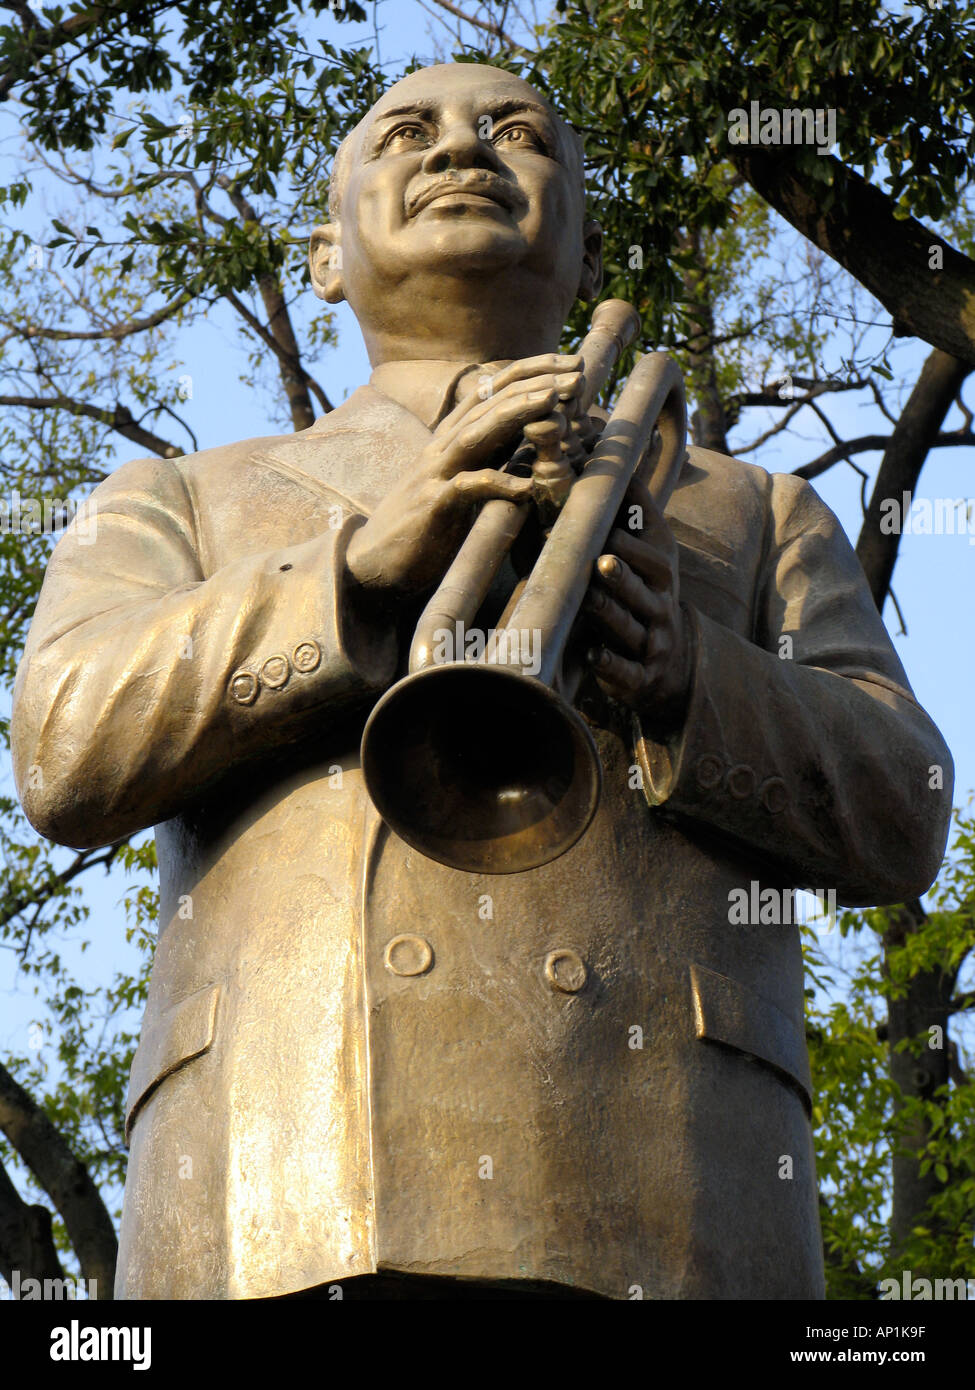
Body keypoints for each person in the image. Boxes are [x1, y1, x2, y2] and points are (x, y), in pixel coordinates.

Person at [11, 63, 952, 1300]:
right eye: (406, 133)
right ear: (325, 258)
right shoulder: (186, 497)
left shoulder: (756, 509)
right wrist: (347, 580)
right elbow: (63, 748)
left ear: (586, 236)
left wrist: (695, 682)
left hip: (670, 1181)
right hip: (285, 1168)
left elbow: (907, 799)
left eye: (516, 133)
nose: (461, 148)